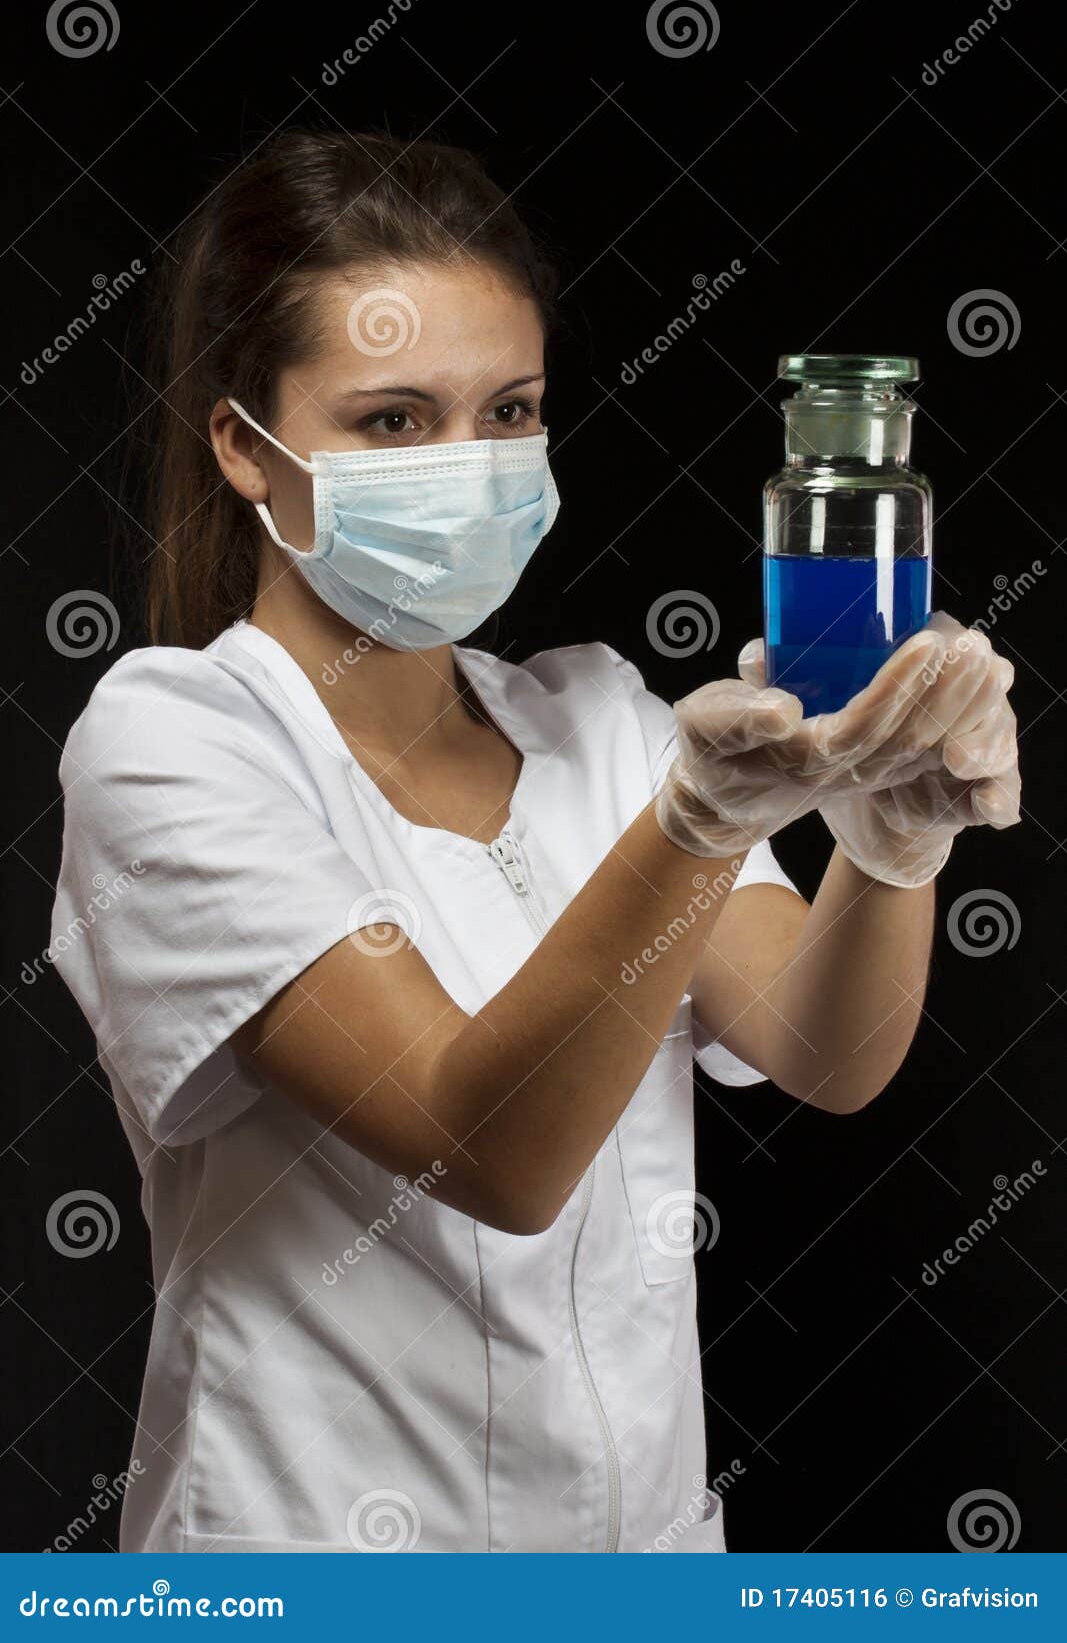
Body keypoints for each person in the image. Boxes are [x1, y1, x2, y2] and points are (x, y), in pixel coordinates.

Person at [49, 130, 1020, 1554]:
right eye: (393, 421)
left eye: (509, 410)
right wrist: (695, 828)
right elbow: (481, 1148)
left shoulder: (601, 719)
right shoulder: (178, 742)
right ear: (245, 448)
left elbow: (830, 1051)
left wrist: (892, 846)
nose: (469, 465)